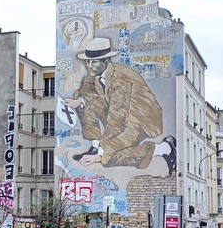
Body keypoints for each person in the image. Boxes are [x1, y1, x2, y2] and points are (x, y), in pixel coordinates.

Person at [61, 37, 163, 169]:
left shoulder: (121, 79)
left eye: (95, 62)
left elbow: (117, 120)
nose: (89, 66)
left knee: (110, 158)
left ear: (106, 61)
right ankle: (94, 147)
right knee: (82, 101)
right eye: (88, 61)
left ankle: (162, 149)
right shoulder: (97, 74)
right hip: (120, 115)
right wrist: (79, 101)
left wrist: (102, 154)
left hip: (141, 118)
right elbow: (86, 92)